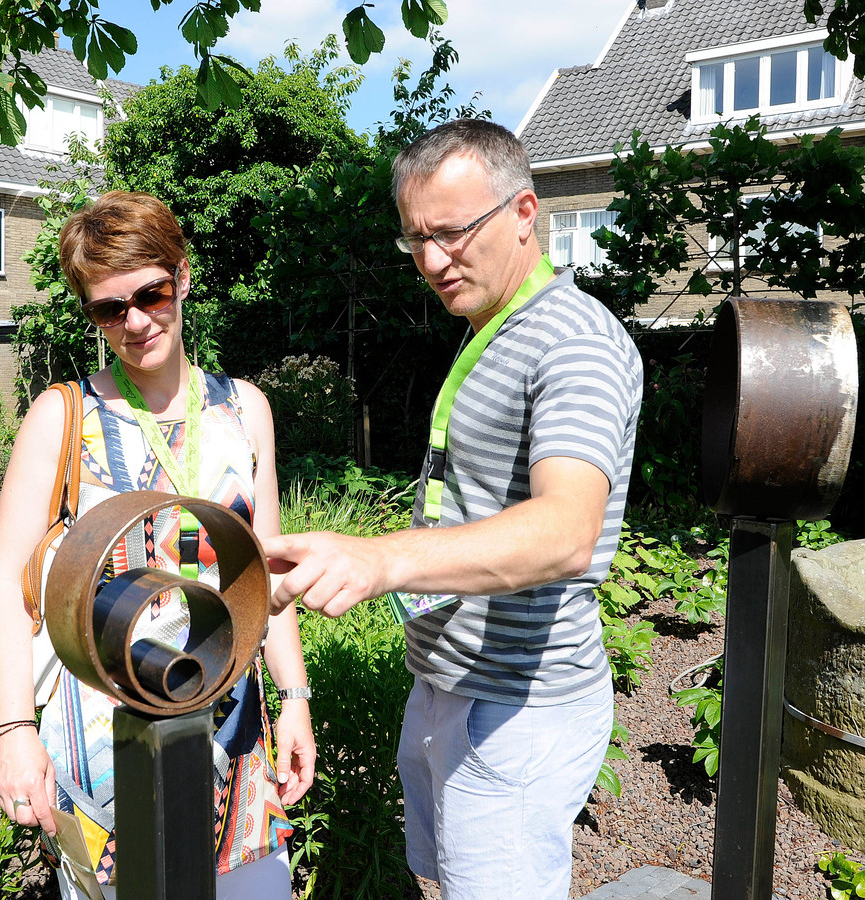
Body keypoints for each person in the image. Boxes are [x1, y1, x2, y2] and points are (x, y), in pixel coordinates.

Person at [262, 120, 643, 899]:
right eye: (416, 239)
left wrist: (383, 559)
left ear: (525, 212)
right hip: (448, 684)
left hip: (514, 709)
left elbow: (568, 532)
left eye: (452, 233)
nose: (433, 261)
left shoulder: (574, 342)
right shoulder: (496, 329)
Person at [0, 190, 315, 899]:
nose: (135, 322)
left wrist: (295, 696)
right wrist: (13, 732)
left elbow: (267, 572)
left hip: (233, 731)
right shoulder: (62, 417)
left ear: (182, 278)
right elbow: (7, 585)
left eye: (151, 295)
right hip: (107, 740)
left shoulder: (243, 409)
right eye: (109, 309)